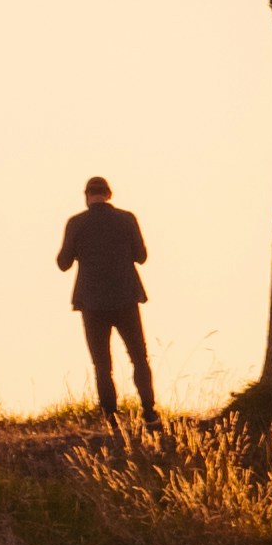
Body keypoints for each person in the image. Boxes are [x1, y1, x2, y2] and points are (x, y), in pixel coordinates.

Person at [55, 174, 158, 432]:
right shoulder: (126, 219)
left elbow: (63, 263)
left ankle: (111, 418)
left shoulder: (76, 223)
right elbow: (142, 256)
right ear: (109, 194)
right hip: (126, 297)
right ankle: (149, 411)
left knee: (102, 364)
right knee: (139, 358)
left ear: (87, 196)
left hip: (92, 303)